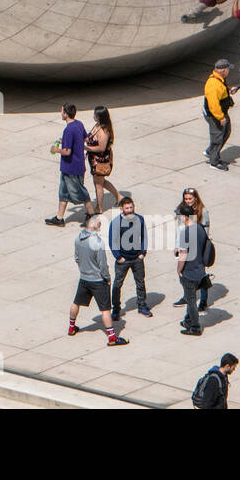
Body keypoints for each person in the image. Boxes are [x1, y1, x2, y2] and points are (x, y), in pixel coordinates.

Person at [67, 215, 128, 347]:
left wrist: (84, 270)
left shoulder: (78, 238)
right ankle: (112, 337)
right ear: (93, 224)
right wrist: (107, 278)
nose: (100, 223)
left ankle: (71, 327)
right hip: (98, 281)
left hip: (84, 278)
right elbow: (102, 265)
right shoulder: (97, 242)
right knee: (105, 310)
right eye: (98, 221)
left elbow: (77, 258)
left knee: (76, 302)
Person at [46, 104, 89, 227]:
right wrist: (65, 141)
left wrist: (56, 149)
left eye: (61, 111)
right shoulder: (79, 124)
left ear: (65, 114)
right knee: (63, 192)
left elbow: (67, 151)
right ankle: (59, 218)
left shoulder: (68, 130)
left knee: (80, 192)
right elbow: (84, 139)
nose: (60, 113)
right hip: (71, 166)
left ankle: (91, 214)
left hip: (72, 167)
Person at [108, 197, 151, 320]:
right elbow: (112, 240)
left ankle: (142, 305)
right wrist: (118, 257)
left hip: (137, 257)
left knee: (140, 283)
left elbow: (144, 236)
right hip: (123, 259)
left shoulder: (140, 219)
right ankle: (116, 309)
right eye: (127, 208)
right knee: (117, 285)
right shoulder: (116, 222)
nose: (130, 210)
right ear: (121, 209)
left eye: (131, 207)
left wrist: (143, 252)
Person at [174, 188, 213, 310]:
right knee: (184, 273)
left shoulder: (203, 211)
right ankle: (187, 296)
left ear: (195, 198)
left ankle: (203, 300)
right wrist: (177, 245)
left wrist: (202, 246)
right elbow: (180, 229)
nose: (188, 201)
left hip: (198, 246)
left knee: (201, 273)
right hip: (185, 245)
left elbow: (205, 230)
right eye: (186, 198)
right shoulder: (182, 210)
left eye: (190, 198)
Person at [175, 204, 210, 336]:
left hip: (189, 271)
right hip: (200, 269)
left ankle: (195, 327)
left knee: (190, 300)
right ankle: (188, 320)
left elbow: (183, 254)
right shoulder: (200, 228)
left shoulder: (186, 233)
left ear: (185, 217)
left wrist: (179, 269)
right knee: (191, 297)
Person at [203, 59, 237, 172]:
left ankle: (210, 151)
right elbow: (213, 105)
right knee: (218, 136)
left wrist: (229, 90)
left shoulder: (219, 80)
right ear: (223, 70)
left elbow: (221, 91)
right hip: (215, 115)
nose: (228, 71)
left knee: (225, 132)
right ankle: (214, 162)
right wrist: (220, 117)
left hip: (221, 113)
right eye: (227, 69)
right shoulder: (213, 85)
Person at [84, 106, 120, 213]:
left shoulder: (104, 131)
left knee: (98, 184)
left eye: (95, 114)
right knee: (101, 182)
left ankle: (99, 208)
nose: (94, 116)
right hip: (94, 159)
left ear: (100, 117)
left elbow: (101, 148)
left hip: (100, 161)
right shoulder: (98, 126)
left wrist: (87, 148)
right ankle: (119, 197)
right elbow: (90, 138)